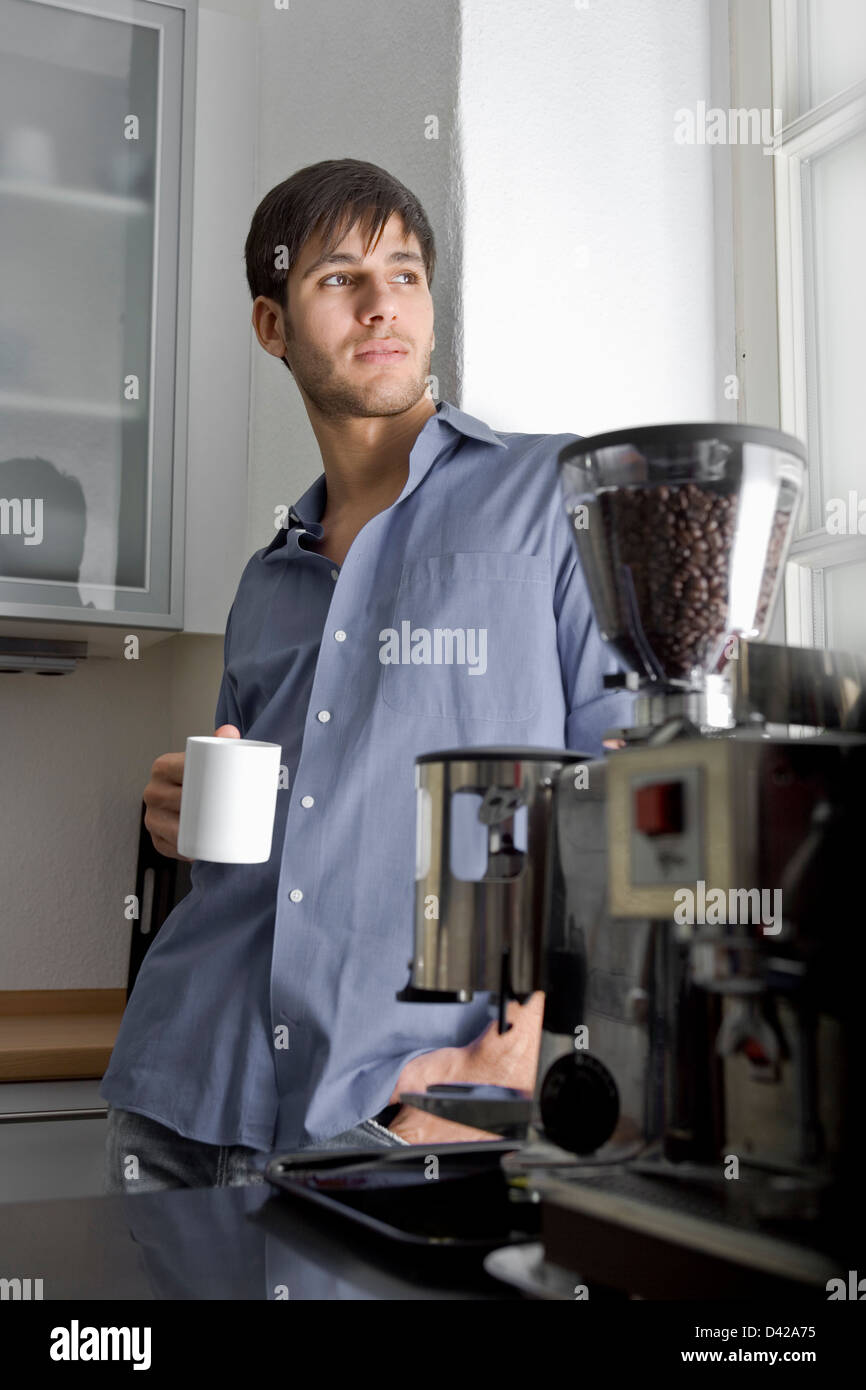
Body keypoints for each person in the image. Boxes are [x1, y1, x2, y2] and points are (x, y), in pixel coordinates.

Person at [100, 157, 632, 1194]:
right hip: (179, 1089)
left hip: (401, 1113)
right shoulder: (266, 579)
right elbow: (259, 849)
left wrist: (536, 1051)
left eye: (406, 272)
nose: (382, 302)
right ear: (272, 325)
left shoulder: (557, 495)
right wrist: (180, 817)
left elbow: (628, 801)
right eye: (339, 278)